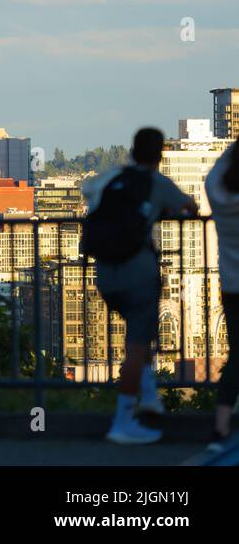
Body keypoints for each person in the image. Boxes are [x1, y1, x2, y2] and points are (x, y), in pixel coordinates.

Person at [81, 127, 197, 446]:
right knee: (136, 346)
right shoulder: (156, 182)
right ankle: (123, 421)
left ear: (132, 151)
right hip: (138, 273)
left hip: (105, 274)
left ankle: (149, 395)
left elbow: (88, 194)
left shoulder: (112, 178)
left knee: (140, 336)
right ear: (159, 155)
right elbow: (190, 208)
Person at [204, 140, 239, 451]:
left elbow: (214, 173)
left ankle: (221, 425)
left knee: (237, 355)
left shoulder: (219, 193)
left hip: (231, 285)